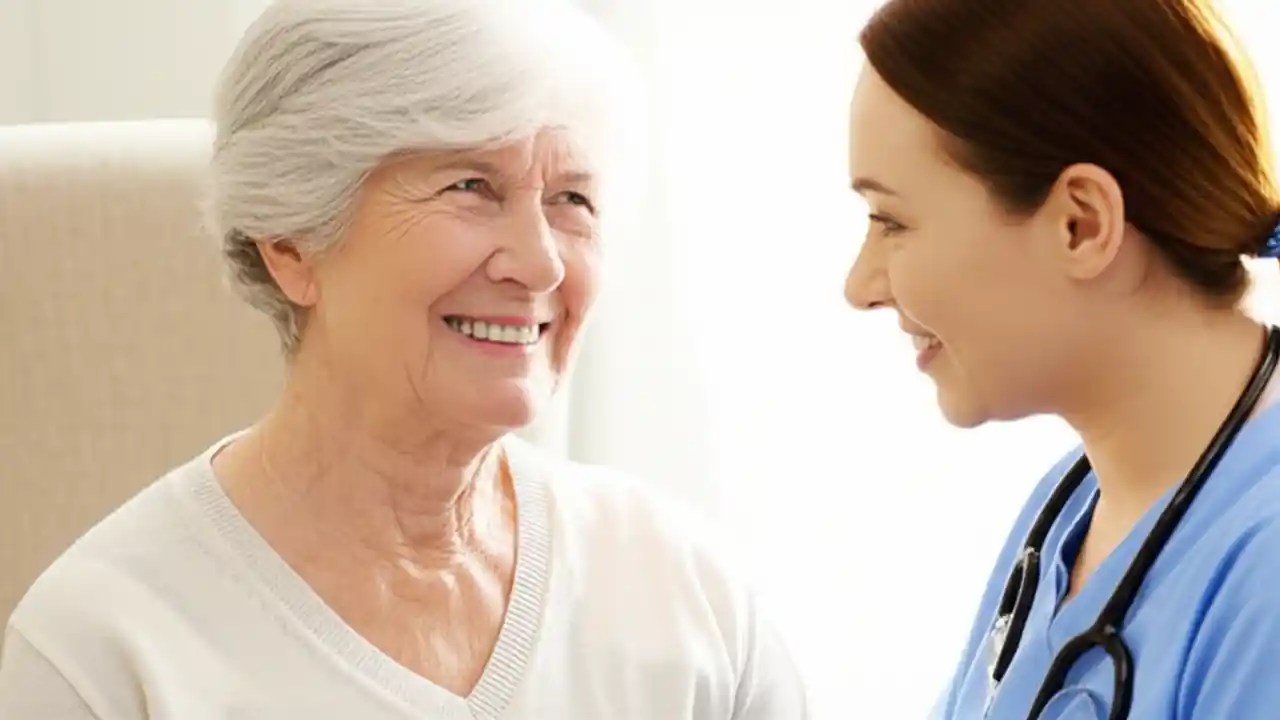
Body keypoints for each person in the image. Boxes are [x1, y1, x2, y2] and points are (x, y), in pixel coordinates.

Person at [0, 1, 807, 718]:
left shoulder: (686, 593)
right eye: (470, 186)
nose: (540, 264)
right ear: (291, 243)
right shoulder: (101, 650)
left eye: (571, 200)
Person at [845, 0, 1280, 718]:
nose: (858, 286)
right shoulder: (1071, 511)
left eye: (891, 220)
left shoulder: (1262, 572)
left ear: (1081, 224)